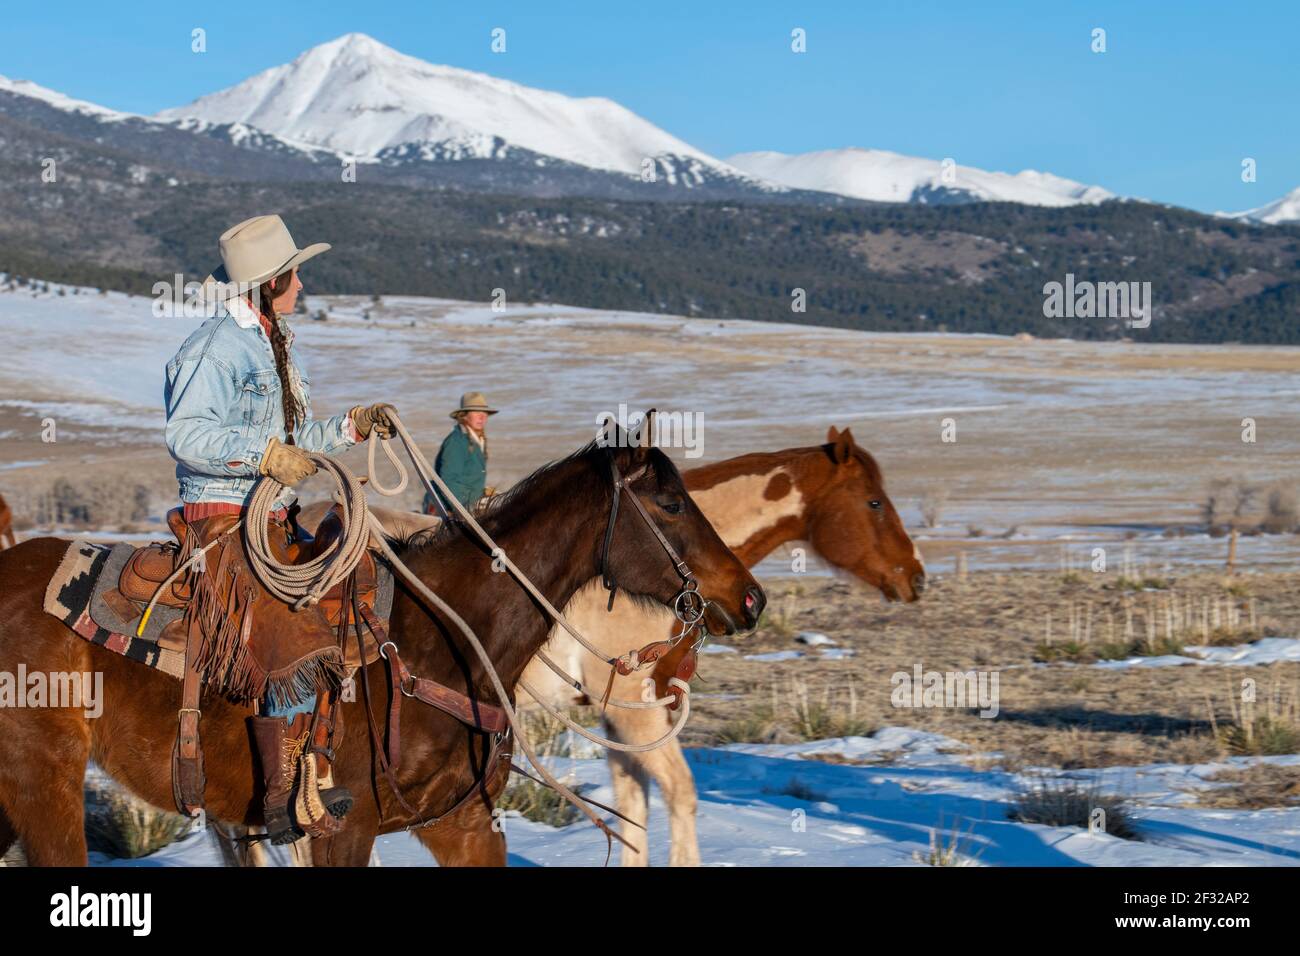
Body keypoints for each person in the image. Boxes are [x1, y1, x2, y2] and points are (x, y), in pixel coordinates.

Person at [164, 214, 396, 843]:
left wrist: (350, 427)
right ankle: (280, 794)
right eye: (294, 274)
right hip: (224, 515)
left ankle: (319, 758)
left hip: (268, 512)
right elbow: (186, 434)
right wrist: (262, 456)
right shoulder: (215, 347)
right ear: (268, 283)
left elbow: (295, 444)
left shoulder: (275, 341)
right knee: (290, 627)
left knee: (351, 584)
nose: (302, 284)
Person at [423, 392, 498, 515]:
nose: (482, 417)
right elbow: (448, 480)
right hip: (447, 508)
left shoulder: (476, 439)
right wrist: (466, 509)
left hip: (466, 503)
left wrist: (482, 493)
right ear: (464, 416)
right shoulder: (456, 441)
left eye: (485, 413)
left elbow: (467, 478)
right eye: (476, 412)